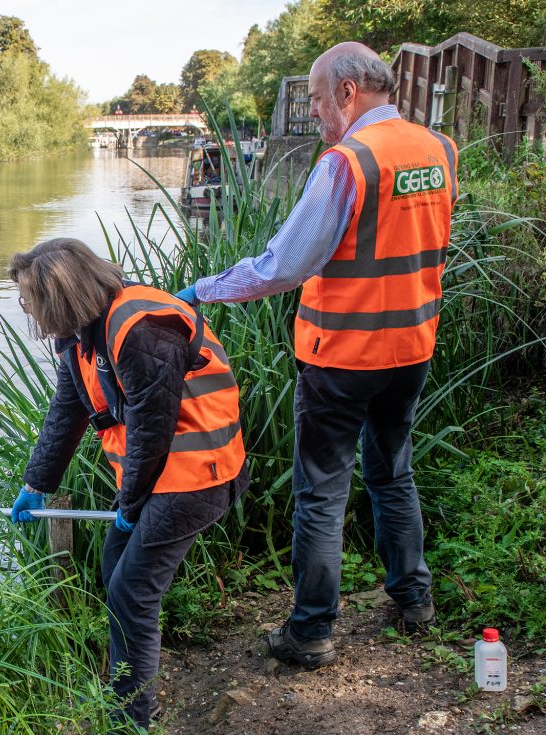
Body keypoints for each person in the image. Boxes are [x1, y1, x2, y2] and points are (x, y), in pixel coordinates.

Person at [175, 42, 458, 669]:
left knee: (322, 494)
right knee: (393, 473)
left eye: (318, 98)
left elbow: (285, 263)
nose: (318, 111)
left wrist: (202, 290)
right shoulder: (438, 151)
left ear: (349, 92)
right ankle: (414, 601)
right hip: (411, 348)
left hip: (341, 357)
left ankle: (310, 632)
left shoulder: (347, 162)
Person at [8, 237, 249, 731]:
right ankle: (127, 687)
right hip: (163, 475)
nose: (25, 308)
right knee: (116, 566)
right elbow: (68, 410)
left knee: (132, 591)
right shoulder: (82, 335)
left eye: (28, 299)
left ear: (57, 297)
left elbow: (152, 428)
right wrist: (38, 482)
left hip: (198, 474)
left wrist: (133, 504)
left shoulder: (140, 328)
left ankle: (131, 715)